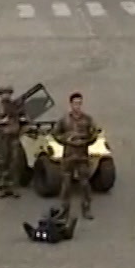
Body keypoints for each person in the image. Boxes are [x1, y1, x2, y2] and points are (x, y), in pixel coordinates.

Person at [54, 92, 100, 222]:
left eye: (79, 103)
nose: (77, 106)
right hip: (68, 156)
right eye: (75, 103)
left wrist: (86, 141)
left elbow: (94, 133)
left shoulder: (87, 119)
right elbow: (55, 134)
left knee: (85, 184)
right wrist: (66, 140)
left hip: (82, 156)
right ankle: (64, 209)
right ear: (71, 104)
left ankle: (86, 208)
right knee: (66, 185)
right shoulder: (64, 120)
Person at [0, 86, 27, 197]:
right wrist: (1, 121)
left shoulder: (16, 106)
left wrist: (22, 122)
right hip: (2, 137)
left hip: (14, 137)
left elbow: (25, 118)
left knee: (15, 161)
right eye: (3, 93)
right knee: (3, 161)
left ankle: (14, 187)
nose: (6, 95)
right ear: (0, 95)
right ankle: (3, 186)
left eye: (8, 93)